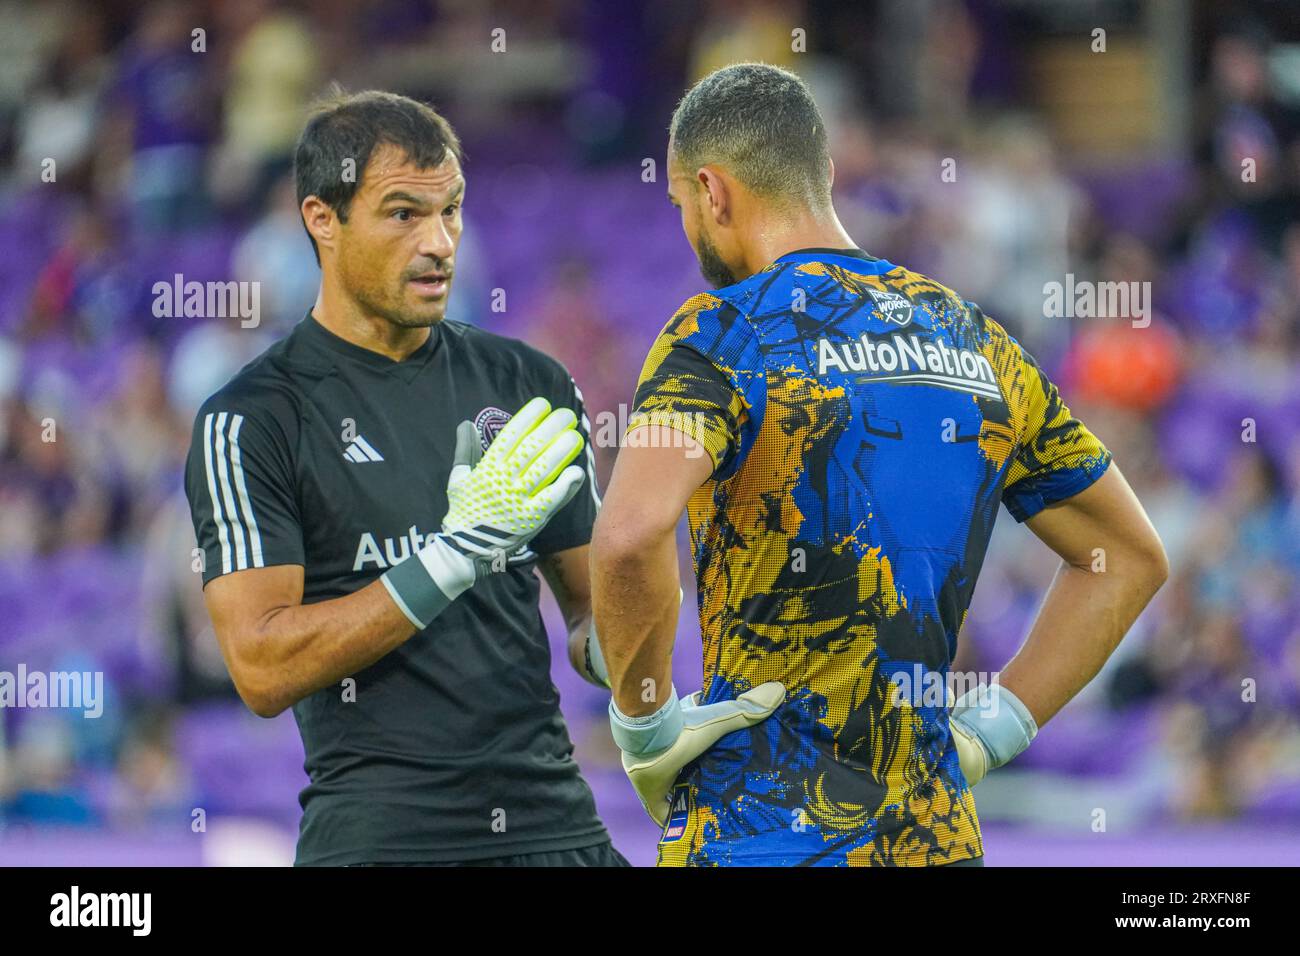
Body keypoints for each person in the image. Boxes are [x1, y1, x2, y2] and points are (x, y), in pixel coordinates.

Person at [590, 63, 1169, 867]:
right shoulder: (977, 339)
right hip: (928, 836)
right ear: (825, 175)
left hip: (753, 835)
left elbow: (626, 539)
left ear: (712, 192)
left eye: (683, 204)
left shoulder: (721, 334)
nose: (690, 225)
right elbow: (1128, 558)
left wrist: (645, 727)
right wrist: (994, 727)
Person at [184, 89, 625, 867]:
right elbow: (261, 667)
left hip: (557, 832)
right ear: (322, 219)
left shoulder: (528, 383)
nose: (441, 243)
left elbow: (595, 627)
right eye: (402, 214)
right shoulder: (252, 419)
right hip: (380, 843)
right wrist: (450, 561)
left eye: (451, 210)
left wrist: (659, 671)